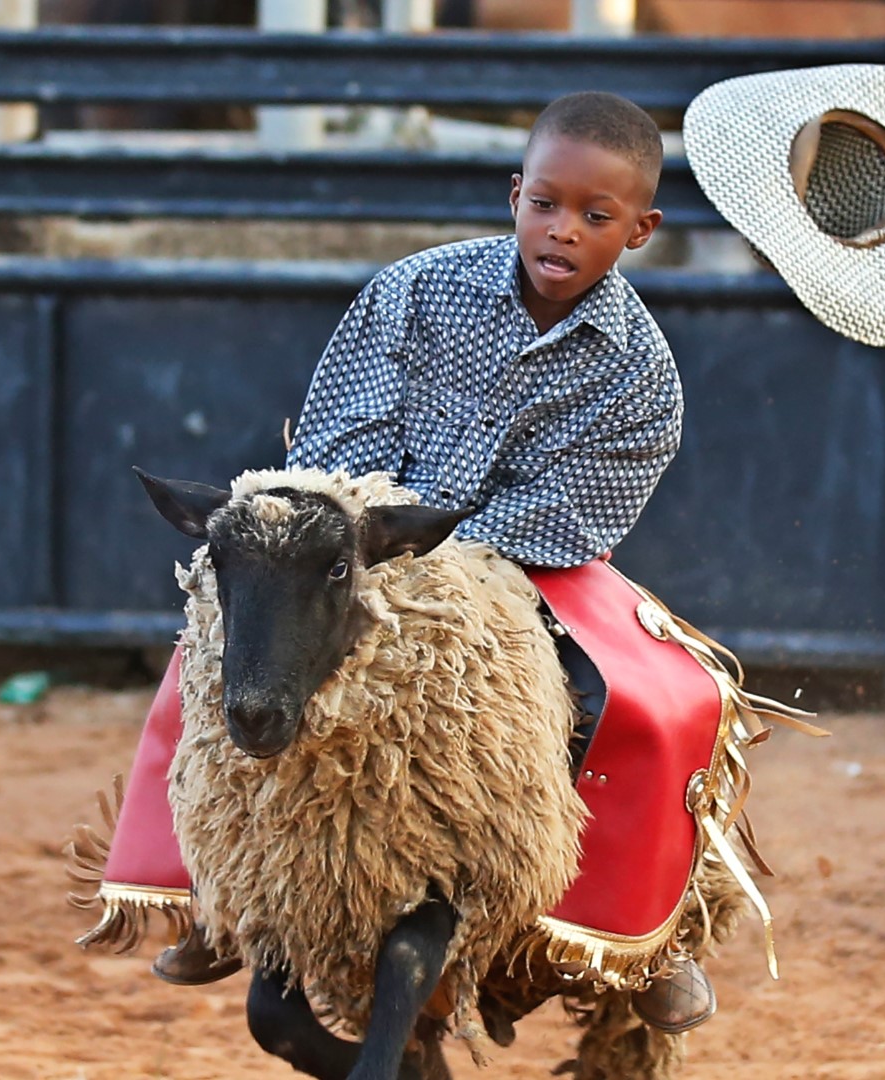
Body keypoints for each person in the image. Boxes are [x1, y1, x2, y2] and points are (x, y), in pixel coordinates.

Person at [149, 89, 717, 1034]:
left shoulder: (641, 371)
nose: (563, 230)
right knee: (215, 655)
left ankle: (642, 932)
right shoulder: (418, 290)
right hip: (359, 538)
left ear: (641, 229)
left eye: (595, 216)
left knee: (652, 706)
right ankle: (207, 892)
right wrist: (373, 536)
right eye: (545, 203)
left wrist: (453, 568)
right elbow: (339, 434)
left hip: (530, 567)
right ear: (514, 195)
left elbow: (578, 507)